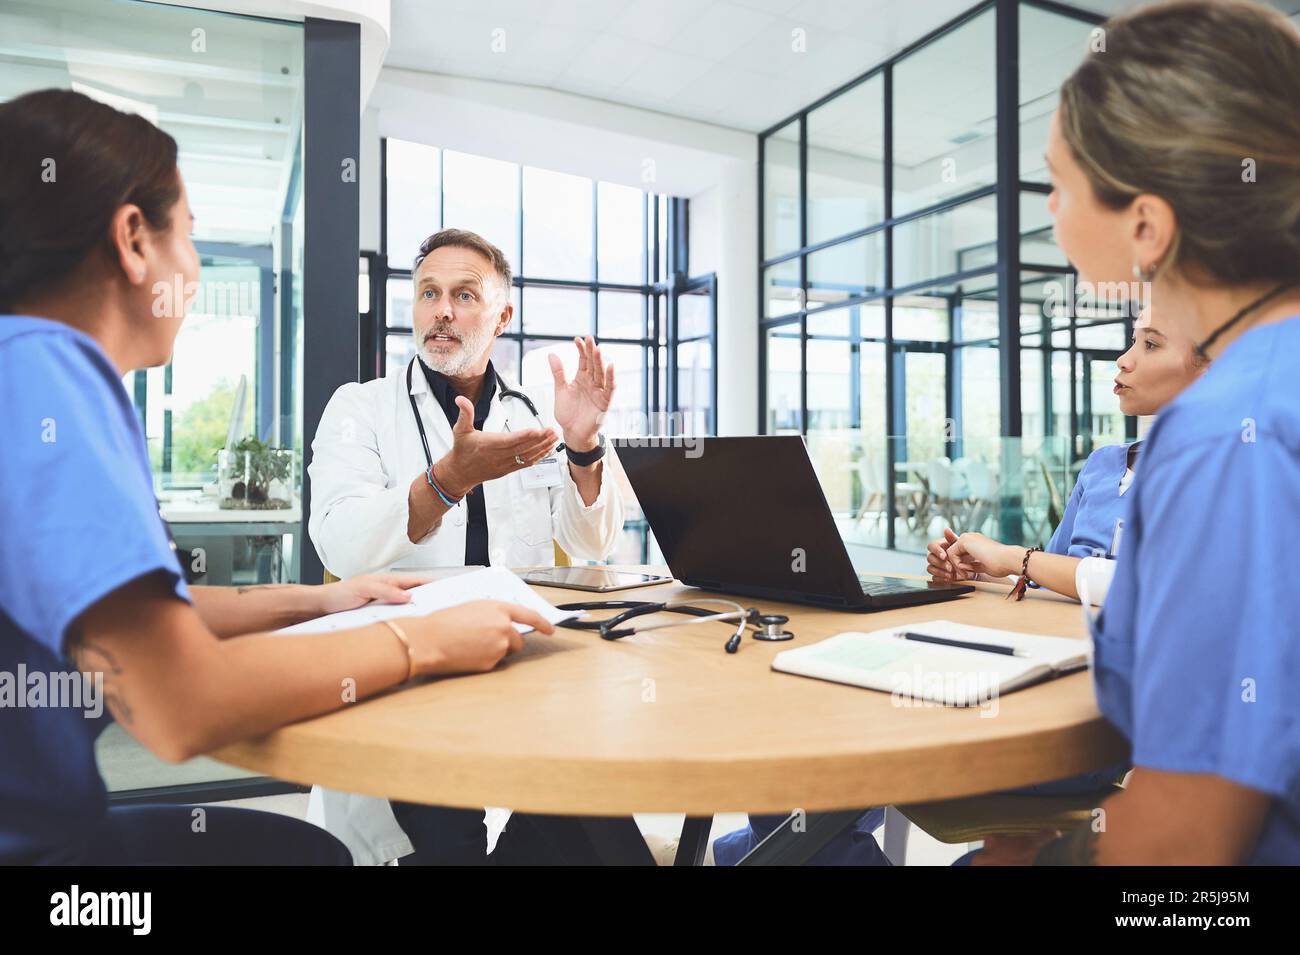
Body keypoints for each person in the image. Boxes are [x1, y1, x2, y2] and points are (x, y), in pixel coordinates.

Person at [0, 88, 557, 865]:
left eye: (464, 295)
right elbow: (180, 702)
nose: (191, 272)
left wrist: (324, 598)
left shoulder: (21, 366)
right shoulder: (50, 379)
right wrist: (420, 641)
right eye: (188, 239)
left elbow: (151, 613)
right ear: (133, 240)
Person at [985, 0, 1300, 865]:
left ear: (1147, 225)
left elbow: (1186, 845)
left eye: (1058, 182)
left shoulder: (1222, 435)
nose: (1048, 208)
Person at [306, 228, 641, 864]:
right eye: (429, 293)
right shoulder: (360, 408)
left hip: (521, 658)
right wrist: (446, 480)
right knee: (446, 839)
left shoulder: (536, 411)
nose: (442, 311)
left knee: (594, 807)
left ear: (501, 315)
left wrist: (585, 446)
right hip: (415, 670)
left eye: (464, 295)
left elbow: (591, 540)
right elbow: (342, 543)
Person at [927, 306, 1206, 604]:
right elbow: (1050, 575)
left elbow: (1147, 586)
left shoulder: (1224, 475)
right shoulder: (1102, 464)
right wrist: (978, 571)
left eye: (1150, 344)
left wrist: (1010, 556)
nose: (1123, 360)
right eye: (1132, 341)